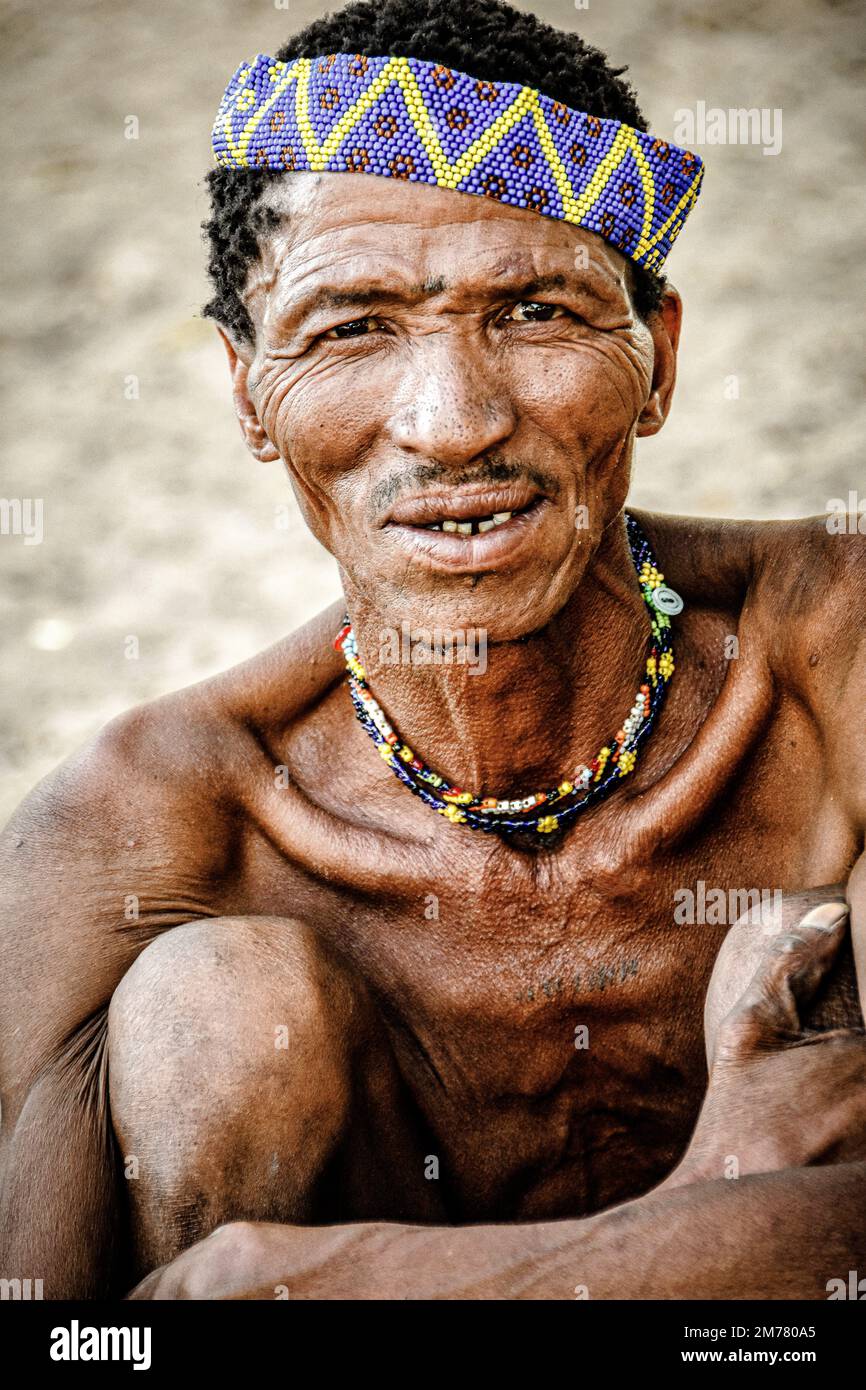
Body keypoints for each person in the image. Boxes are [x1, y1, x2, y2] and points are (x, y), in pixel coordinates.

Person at [1, 0, 864, 1300]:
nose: (451, 421)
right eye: (350, 325)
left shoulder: (828, 636)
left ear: (657, 359)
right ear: (245, 389)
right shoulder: (146, 820)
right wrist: (723, 1216)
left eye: (533, 311)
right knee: (214, 999)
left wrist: (291, 1283)